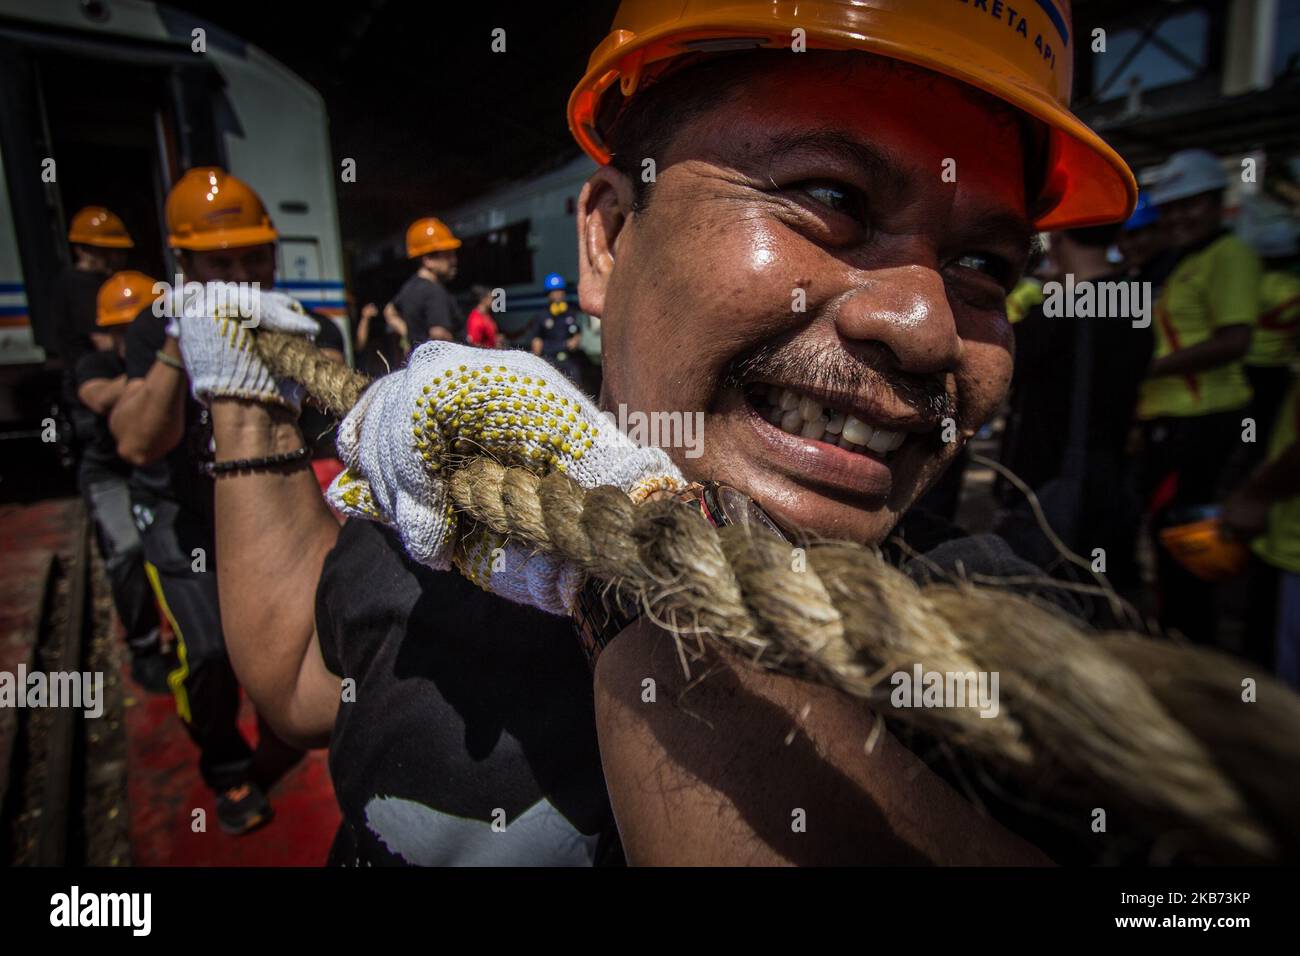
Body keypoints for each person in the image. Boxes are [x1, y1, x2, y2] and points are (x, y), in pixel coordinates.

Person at [174, 0, 1150, 865]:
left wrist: (640, 584)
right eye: (830, 197)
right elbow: (300, 679)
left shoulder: (1016, 688)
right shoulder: (442, 530)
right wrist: (242, 392)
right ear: (605, 237)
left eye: (984, 262)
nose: (929, 324)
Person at [110, 167, 340, 835]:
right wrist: (187, 343)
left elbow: (327, 434)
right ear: (185, 265)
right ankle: (226, 765)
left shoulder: (298, 325)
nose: (242, 275)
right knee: (208, 654)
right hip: (183, 522)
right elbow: (137, 443)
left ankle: (279, 732)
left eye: (254, 257)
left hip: (265, 522)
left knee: (301, 643)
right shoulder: (156, 332)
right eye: (222, 262)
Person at [1137, 149, 1263, 645]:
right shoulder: (1181, 261)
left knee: (1188, 538)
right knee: (1169, 535)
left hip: (1205, 419)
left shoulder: (1230, 257)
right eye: (1171, 208)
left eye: (1191, 205)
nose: (1179, 217)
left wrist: (1147, 370)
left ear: (1216, 203)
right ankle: (1179, 631)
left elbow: (1236, 340)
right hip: (1170, 418)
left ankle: (1194, 642)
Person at [997, 225, 1153, 596]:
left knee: (1047, 586)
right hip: (1112, 471)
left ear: (1060, 242)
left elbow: (1007, 366)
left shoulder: (1057, 310)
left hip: (1049, 474)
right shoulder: (1136, 297)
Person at [73, 271, 168, 692]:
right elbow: (97, 396)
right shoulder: (95, 365)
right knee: (128, 550)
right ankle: (144, 645)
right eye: (122, 331)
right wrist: (148, 373)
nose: (131, 337)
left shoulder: (155, 360)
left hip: (155, 473)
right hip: (110, 475)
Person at [51, 207, 134, 452]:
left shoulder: (102, 283)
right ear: (82, 249)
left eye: (118, 251)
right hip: (92, 386)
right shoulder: (80, 285)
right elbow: (104, 341)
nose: (116, 258)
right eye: (106, 250)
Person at [386, 218, 463, 352]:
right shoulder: (434, 291)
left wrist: (407, 335)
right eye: (448, 255)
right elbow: (439, 335)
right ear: (428, 260)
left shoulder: (408, 288)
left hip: (419, 364)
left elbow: (389, 312)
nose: (454, 261)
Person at [530, 272, 582, 385]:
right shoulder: (542, 315)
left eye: (560, 291)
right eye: (554, 292)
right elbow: (536, 340)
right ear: (548, 294)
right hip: (550, 361)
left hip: (569, 361)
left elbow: (579, 332)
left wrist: (577, 340)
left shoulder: (572, 312)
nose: (558, 294)